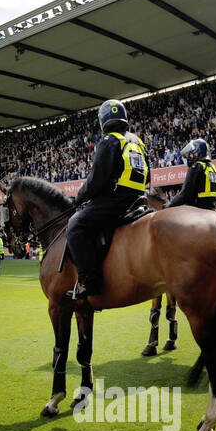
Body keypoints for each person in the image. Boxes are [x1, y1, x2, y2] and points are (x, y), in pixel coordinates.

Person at [65, 99, 149, 301]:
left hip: (115, 202)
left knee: (75, 226)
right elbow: (149, 176)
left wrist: (79, 198)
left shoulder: (109, 141)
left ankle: (89, 282)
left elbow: (96, 181)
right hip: (139, 199)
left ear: (103, 120)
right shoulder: (138, 142)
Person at [167, 138, 216, 209]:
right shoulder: (213, 167)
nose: (189, 157)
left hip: (198, 208)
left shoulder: (196, 166)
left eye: (190, 154)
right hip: (211, 207)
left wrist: (169, 205)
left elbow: (185, 194)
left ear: (197, 152)